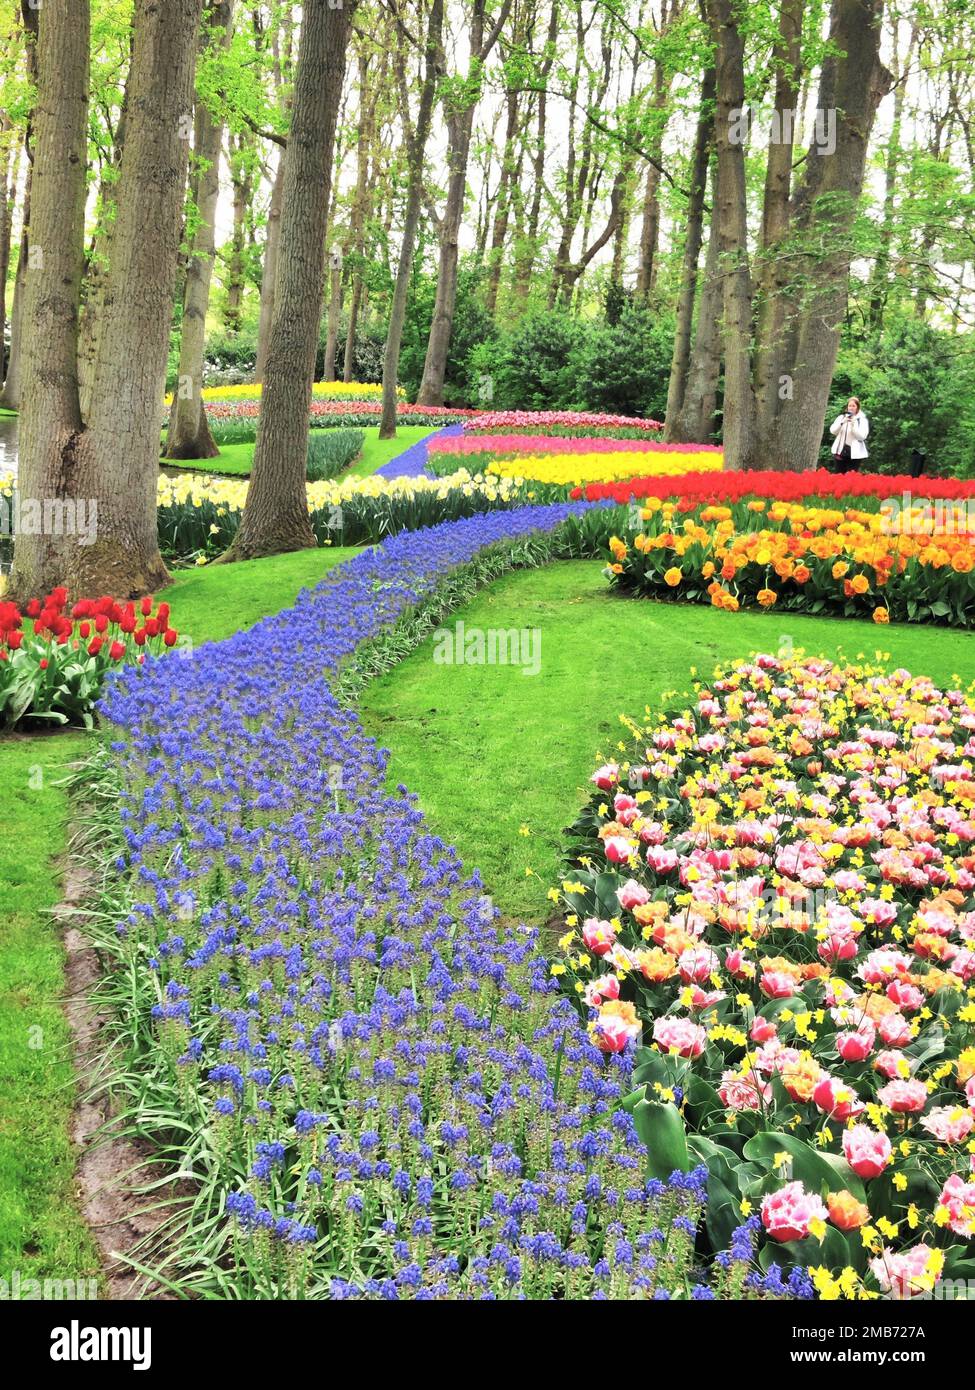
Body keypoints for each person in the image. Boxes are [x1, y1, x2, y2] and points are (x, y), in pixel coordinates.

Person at [829, 397, 869, 472]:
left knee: (851, 476)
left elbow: (862, 437)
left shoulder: (862, 420)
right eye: (849, 406)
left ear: (857, 408)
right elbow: (833, 431)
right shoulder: (841, 417)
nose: (851, 408)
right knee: (839, 475)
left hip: (855, 455)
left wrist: (854, 426)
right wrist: (842, 422)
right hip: (840, 452)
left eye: (853, 406)